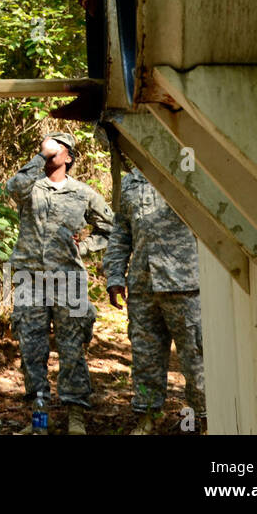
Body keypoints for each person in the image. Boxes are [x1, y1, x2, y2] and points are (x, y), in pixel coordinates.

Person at [5, 132, 113, 435]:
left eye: (57, 148)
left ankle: (76, 417)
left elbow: (110, 228)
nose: (50, 152)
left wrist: (85, 247)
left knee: (73, 349)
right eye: (46, 148)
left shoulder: (83, 193)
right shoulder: (30, 188)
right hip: (30, 280)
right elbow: (13, 187)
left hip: (69, 282)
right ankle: (39, 421)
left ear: (69, 156)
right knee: (32, 351)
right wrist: (40, 157)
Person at [105, 165, 206, 435]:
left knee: (196, 356)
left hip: (185, 284)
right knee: (145, 358)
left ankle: (204, 420)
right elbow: (121, 233)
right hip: (142, 286)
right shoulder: (128, 183)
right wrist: (115, 275)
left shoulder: (184, 173)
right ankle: (147, 418)